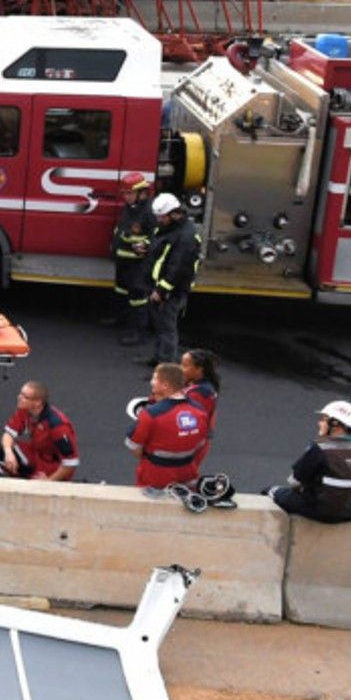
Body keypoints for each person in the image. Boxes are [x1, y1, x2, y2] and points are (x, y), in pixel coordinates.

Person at [268, 400, 351, 523]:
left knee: (272, 491)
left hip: (323, 512)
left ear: (334, 423)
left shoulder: (321, 448)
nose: (320, 423)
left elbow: (294, 481)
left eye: (324, 419)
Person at [126, 361, 210, 490]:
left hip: (155, 476)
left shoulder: (150, 414)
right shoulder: (200, 410)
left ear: (165, 385)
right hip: (188, 472)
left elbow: (134, 446)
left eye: (155, 378)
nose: (151, 382)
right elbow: (201, 442)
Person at [146, 192, 202, 364]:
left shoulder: (186, 237)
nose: (159, 220)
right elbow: (162, 248)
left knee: (167, 329)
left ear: (174, 214)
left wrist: (161, 290)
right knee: (160, 326)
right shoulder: (172, 228)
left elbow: (178, 269)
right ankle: (158, 359)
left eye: (162, 217)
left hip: (172, 291)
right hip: (163, 287)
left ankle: (167, 365)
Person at [0, 381, 80, 481]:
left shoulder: (58, 426)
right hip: (37, 454)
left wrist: (48, 481)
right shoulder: (25, 410)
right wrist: (8, 452)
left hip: (53, 466)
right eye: (20, 394)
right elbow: (8, 434)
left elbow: (71, 463)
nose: (19, 397)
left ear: (37, 403)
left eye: (25, 397)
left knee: (34, 483)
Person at [110, 173, 155, 345]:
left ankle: (138, 332)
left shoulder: (150, 211)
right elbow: (122, 229)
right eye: (125, 193)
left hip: (139, 262)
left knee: (137, 295)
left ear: (141, 192)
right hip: (123, 259)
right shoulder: (130, 207)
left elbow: (156, 237)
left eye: (129, 193)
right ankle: (119, 319)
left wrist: (145, 244)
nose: (126, 197)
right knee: (120, 289)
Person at [179, 348, 221, 445]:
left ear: (199, 369)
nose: (180, 368)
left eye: (185, 366)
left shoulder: (200, 394)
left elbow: (189, 421)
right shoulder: (190, 383)